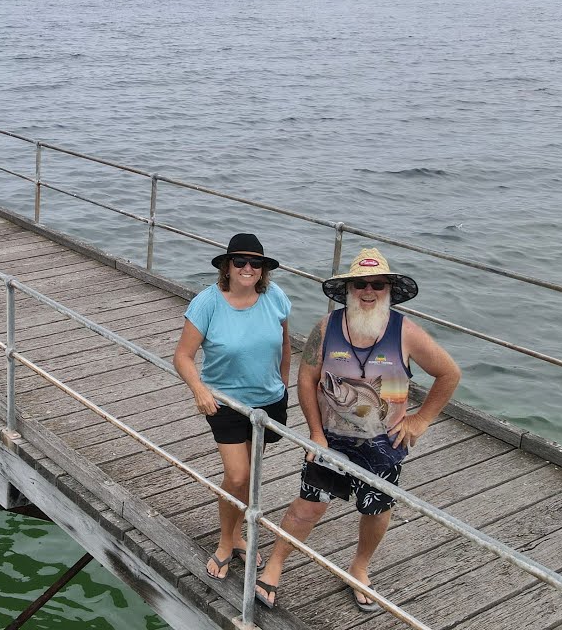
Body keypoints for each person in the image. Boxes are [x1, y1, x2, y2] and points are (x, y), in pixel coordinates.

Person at [255, 247, 460, 611]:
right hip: (331, 440)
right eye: (360, 284)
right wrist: (315, 434)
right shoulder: (326, 327)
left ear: (389, 289)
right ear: (348, 290)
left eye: (377, 284)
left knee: (375, 510)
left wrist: (421, 419)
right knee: (307, 507)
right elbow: (306, 380)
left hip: (384, 444)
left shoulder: (406, 332)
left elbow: (449, 373)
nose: (369, 291)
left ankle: (359, 568)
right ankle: (274, 566)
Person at [174, 233, 292, 580]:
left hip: (269, 401)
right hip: (224, 402)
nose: (248, 268)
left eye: (256, 262)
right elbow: (183, 355)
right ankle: (227, 541)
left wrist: (283, 386)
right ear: (227, 266)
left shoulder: (275, 297)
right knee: (237, 475)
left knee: (251, 476)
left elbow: (285, 346)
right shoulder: (207, 302)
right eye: (239, 261)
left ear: (263, 269)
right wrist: (199, 389)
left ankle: (239, 534)